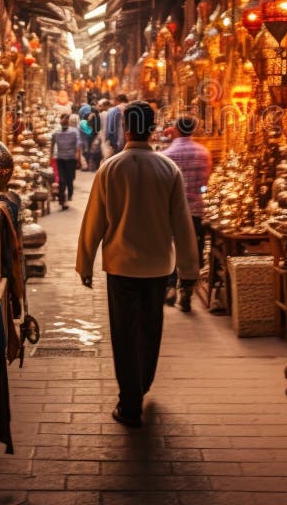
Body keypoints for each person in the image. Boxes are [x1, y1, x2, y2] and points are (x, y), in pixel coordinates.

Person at [76, 101, 199, 428]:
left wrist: (85, 264)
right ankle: (141, 386)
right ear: (153, 129)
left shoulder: (111, 168)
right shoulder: (167, 169)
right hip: (158, 267)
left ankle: (130, 401)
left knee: (124, 332)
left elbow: (94, 221)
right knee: (150, 329)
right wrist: (189, 272)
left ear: (126, 129)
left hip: (121, 267)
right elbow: (183, 225)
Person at [161, 115, 212, 312]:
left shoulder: (167, 155)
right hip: (197, 210)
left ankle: (171, 286)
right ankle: (187, 292)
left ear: (177, 129)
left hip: (174, 211)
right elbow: (205, 181)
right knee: (193, 251)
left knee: (172, 249)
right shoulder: (203, 153)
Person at [51, 113, 81, 209]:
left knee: (65, 179)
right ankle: (65, 197)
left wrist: (50, 157)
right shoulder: (73, 132)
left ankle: (64, 198)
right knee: (67, 178)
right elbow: (78, 146)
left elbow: (52, 146)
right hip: (67, 159)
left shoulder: (57, 133)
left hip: (65, 159)